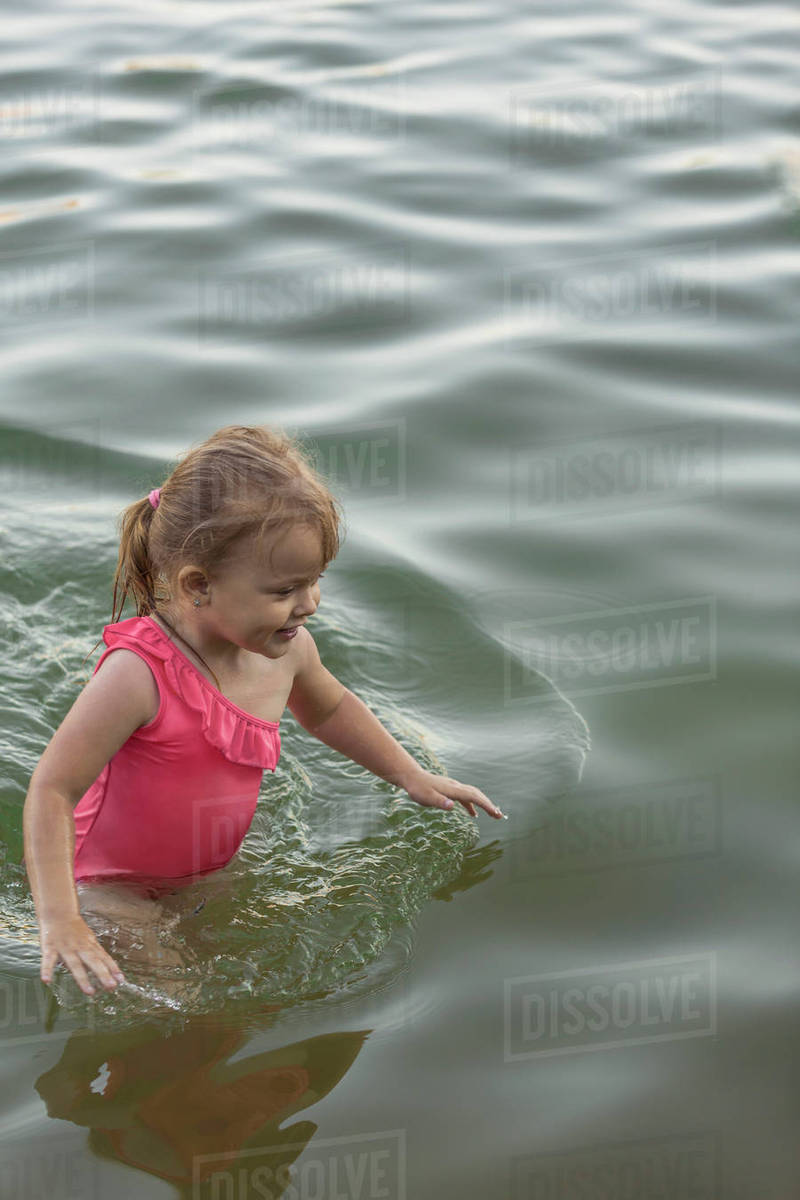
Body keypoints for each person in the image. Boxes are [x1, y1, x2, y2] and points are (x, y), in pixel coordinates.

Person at [23, 424, 504, 1000]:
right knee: (186, 1004)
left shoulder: (288, 652)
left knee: (238, 986)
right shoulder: (137, 675)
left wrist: (409, 773)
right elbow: (51, 790)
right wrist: (60, 916)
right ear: (199, 585)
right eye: (284, 590)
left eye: (315, 581)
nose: (309, 605)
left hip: (211, 868)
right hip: (111, 886)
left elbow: (329, 710)